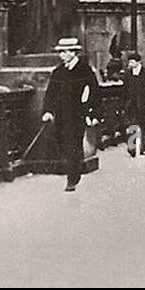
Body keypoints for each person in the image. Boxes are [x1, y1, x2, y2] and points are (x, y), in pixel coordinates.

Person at [42, 37, 100, 191]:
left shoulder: (84, 70)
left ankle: (72, 179)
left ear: (73, 53)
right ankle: (75, 168)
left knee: (73, 144)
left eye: (65, 52)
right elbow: (50, 94)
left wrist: (92, 113)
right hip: (61, 116)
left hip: (77, 115)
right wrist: (48, 111)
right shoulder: (58, 72)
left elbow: (94, 93)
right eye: (60, 52)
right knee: (63, 143)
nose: (62, 55)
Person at [123, 51, 145, 157]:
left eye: (132, 62)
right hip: (132, 105)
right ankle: (131, 147)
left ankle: (143, 148)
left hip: (144, 105)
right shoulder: (127, 75)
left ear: (138, 62)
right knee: (132, 126)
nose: (130, 64)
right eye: (130, 62)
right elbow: (125, 90)